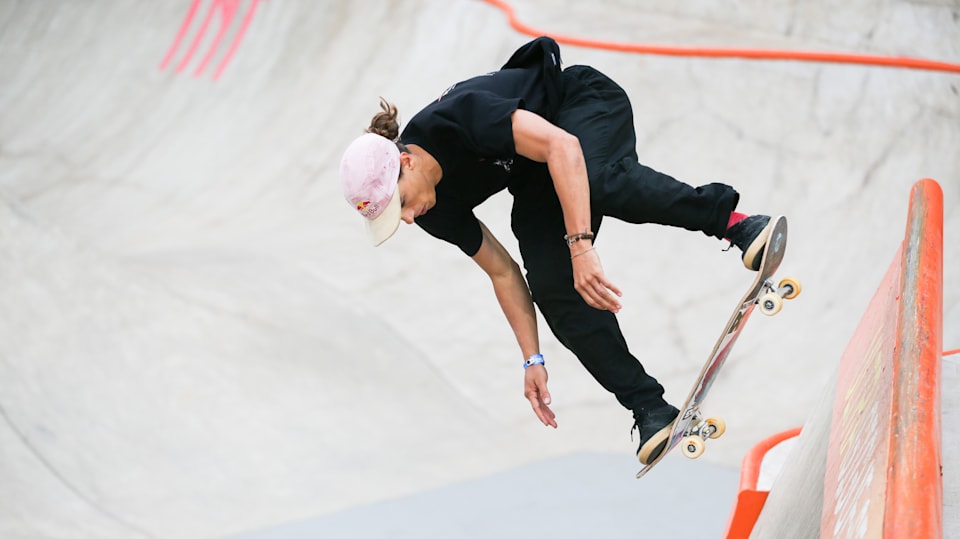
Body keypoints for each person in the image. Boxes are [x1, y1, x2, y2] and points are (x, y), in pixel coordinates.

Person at [338, 36, 773, 465]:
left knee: (602, 183)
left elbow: (563, 146)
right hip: (537, 170)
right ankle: (650, 408)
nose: (410, 218)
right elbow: (503, 273)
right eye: (398, 218)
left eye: (401, 204)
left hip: (580, 105)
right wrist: (532, 357)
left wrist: (580, 248)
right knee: (552, 286)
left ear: (406, 163)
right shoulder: (432, 208)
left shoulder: (457, 119)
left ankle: (738, 225)